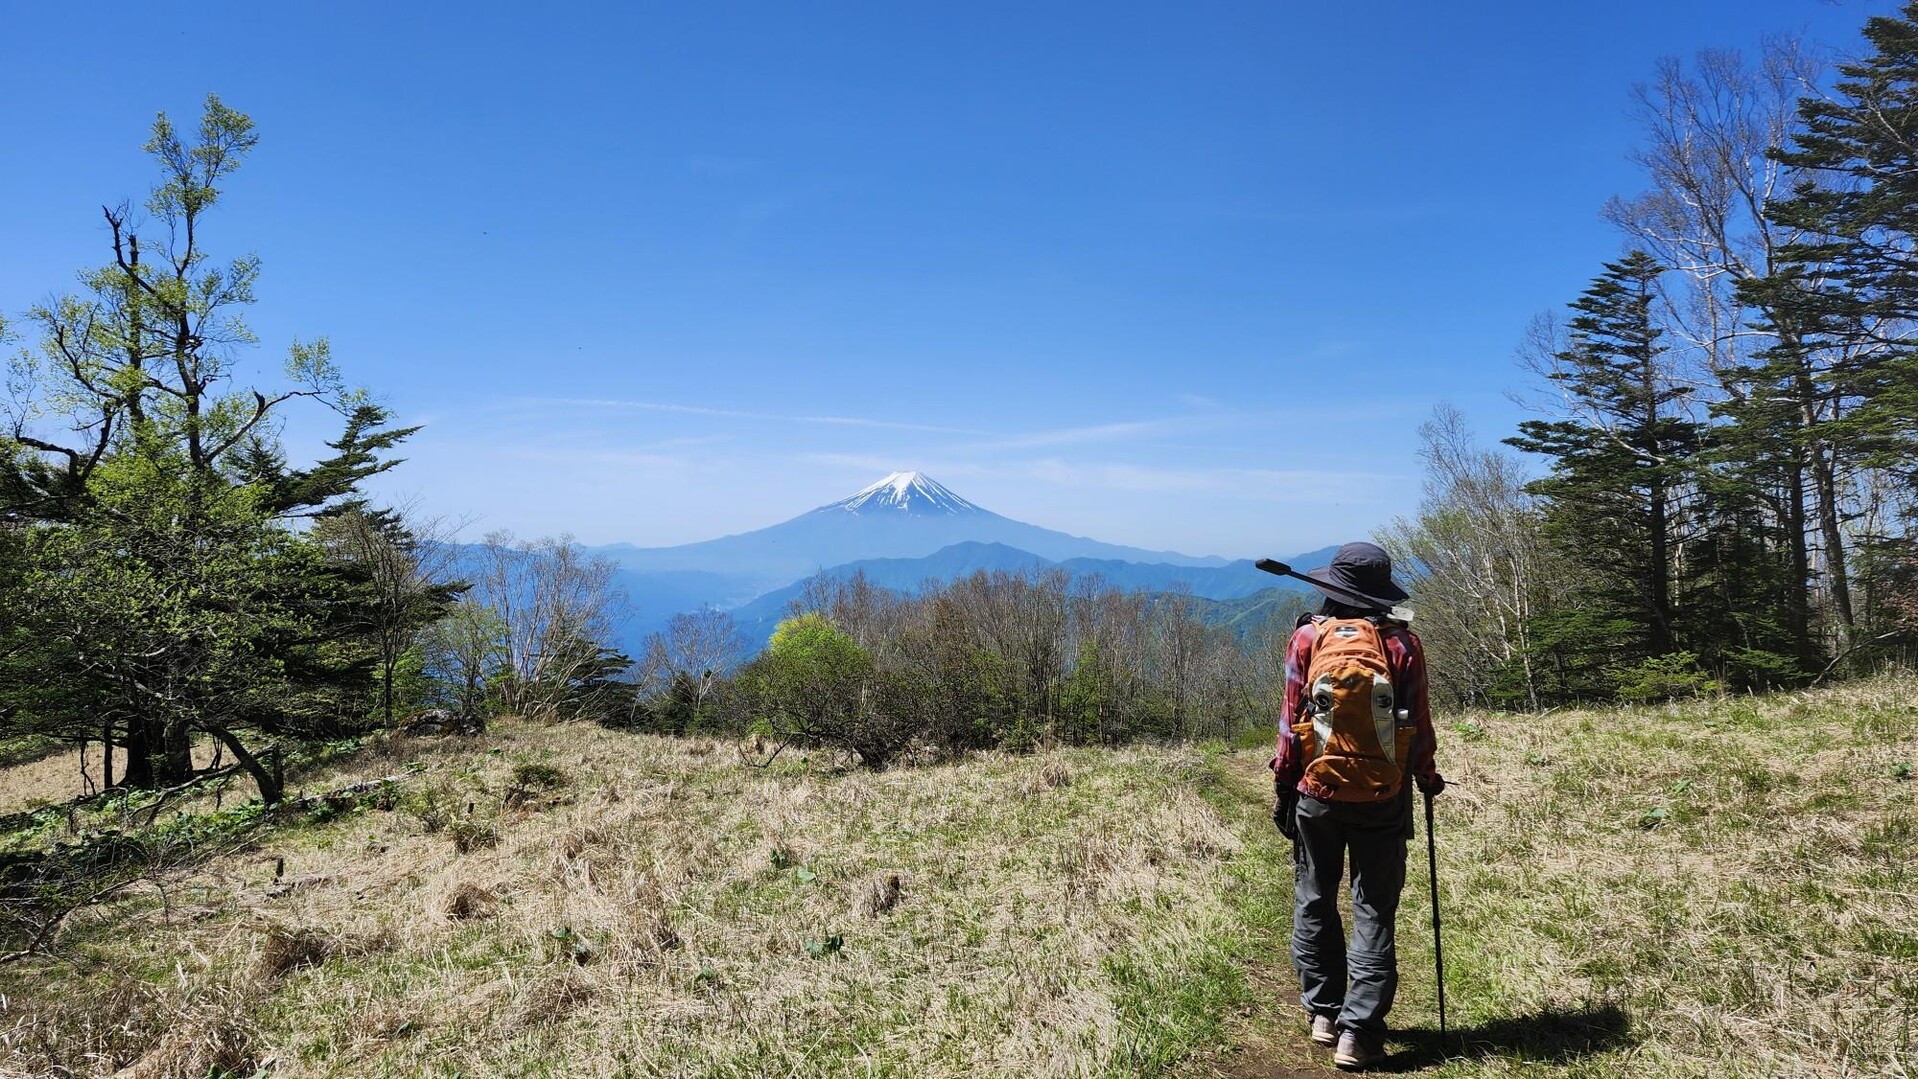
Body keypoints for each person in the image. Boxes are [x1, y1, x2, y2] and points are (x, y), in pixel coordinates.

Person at [1270, 541, 1443, 1071]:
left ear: (1332, 590)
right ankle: (1359, 1033)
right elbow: (1416, 726)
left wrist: (1284, 783)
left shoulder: (1307, 638)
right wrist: (1426, 776)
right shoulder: (1404, 645)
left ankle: (1323, 1013)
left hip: (1316, 792)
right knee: (1373, 907)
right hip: (1382, 795)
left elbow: (1290, 723)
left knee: (1315, 896)